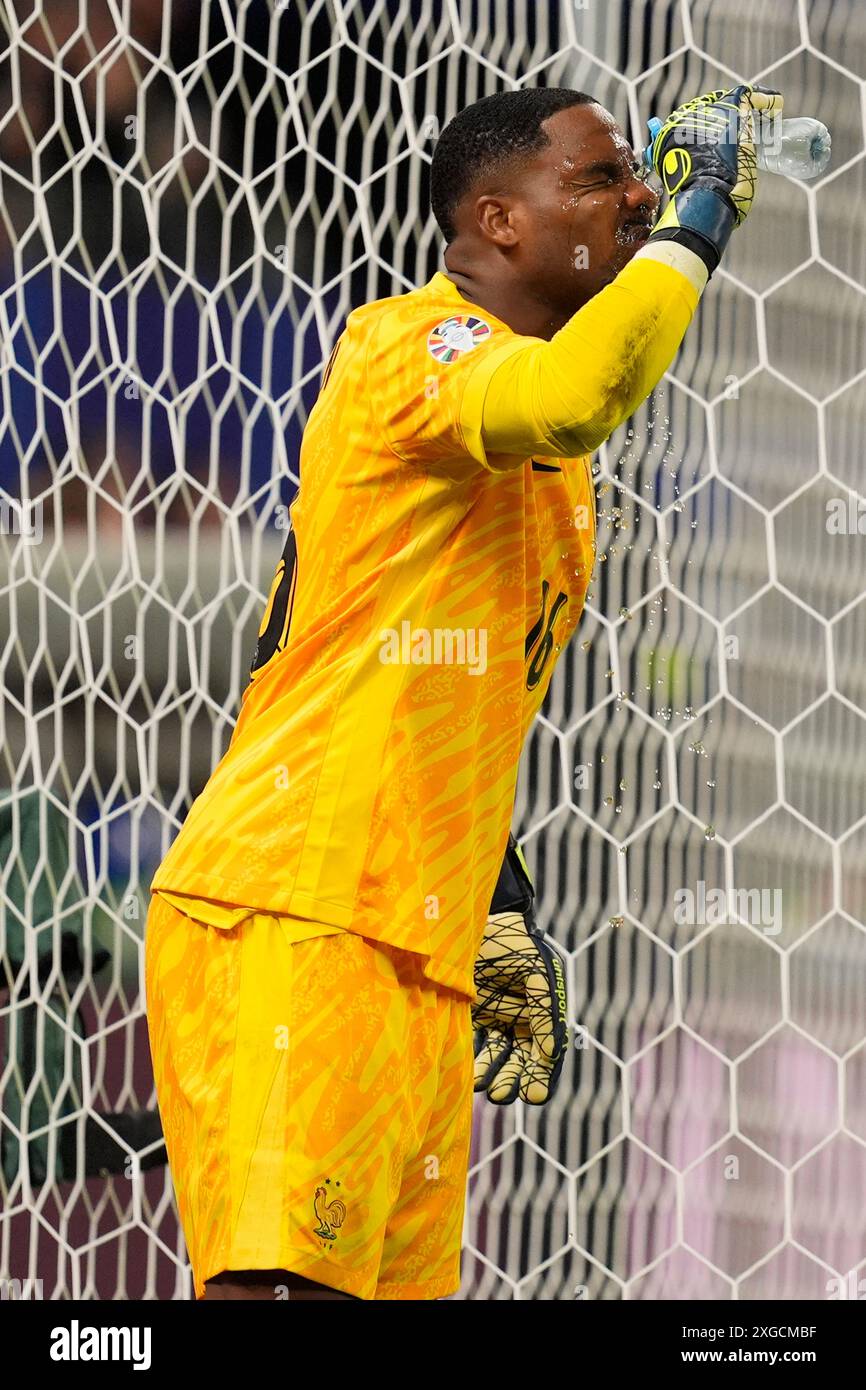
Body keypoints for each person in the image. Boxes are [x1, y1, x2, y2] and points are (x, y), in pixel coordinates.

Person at [144, 82, 781, 1301]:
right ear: (496, 220)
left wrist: (494, 896)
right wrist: (700, 218)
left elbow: (425, 674)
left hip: (418, 943)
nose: (636, 196)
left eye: (641, 182)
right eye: (599, 181)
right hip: (302, 907)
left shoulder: (548, 479)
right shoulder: (404, 343)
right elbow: (571, 395)